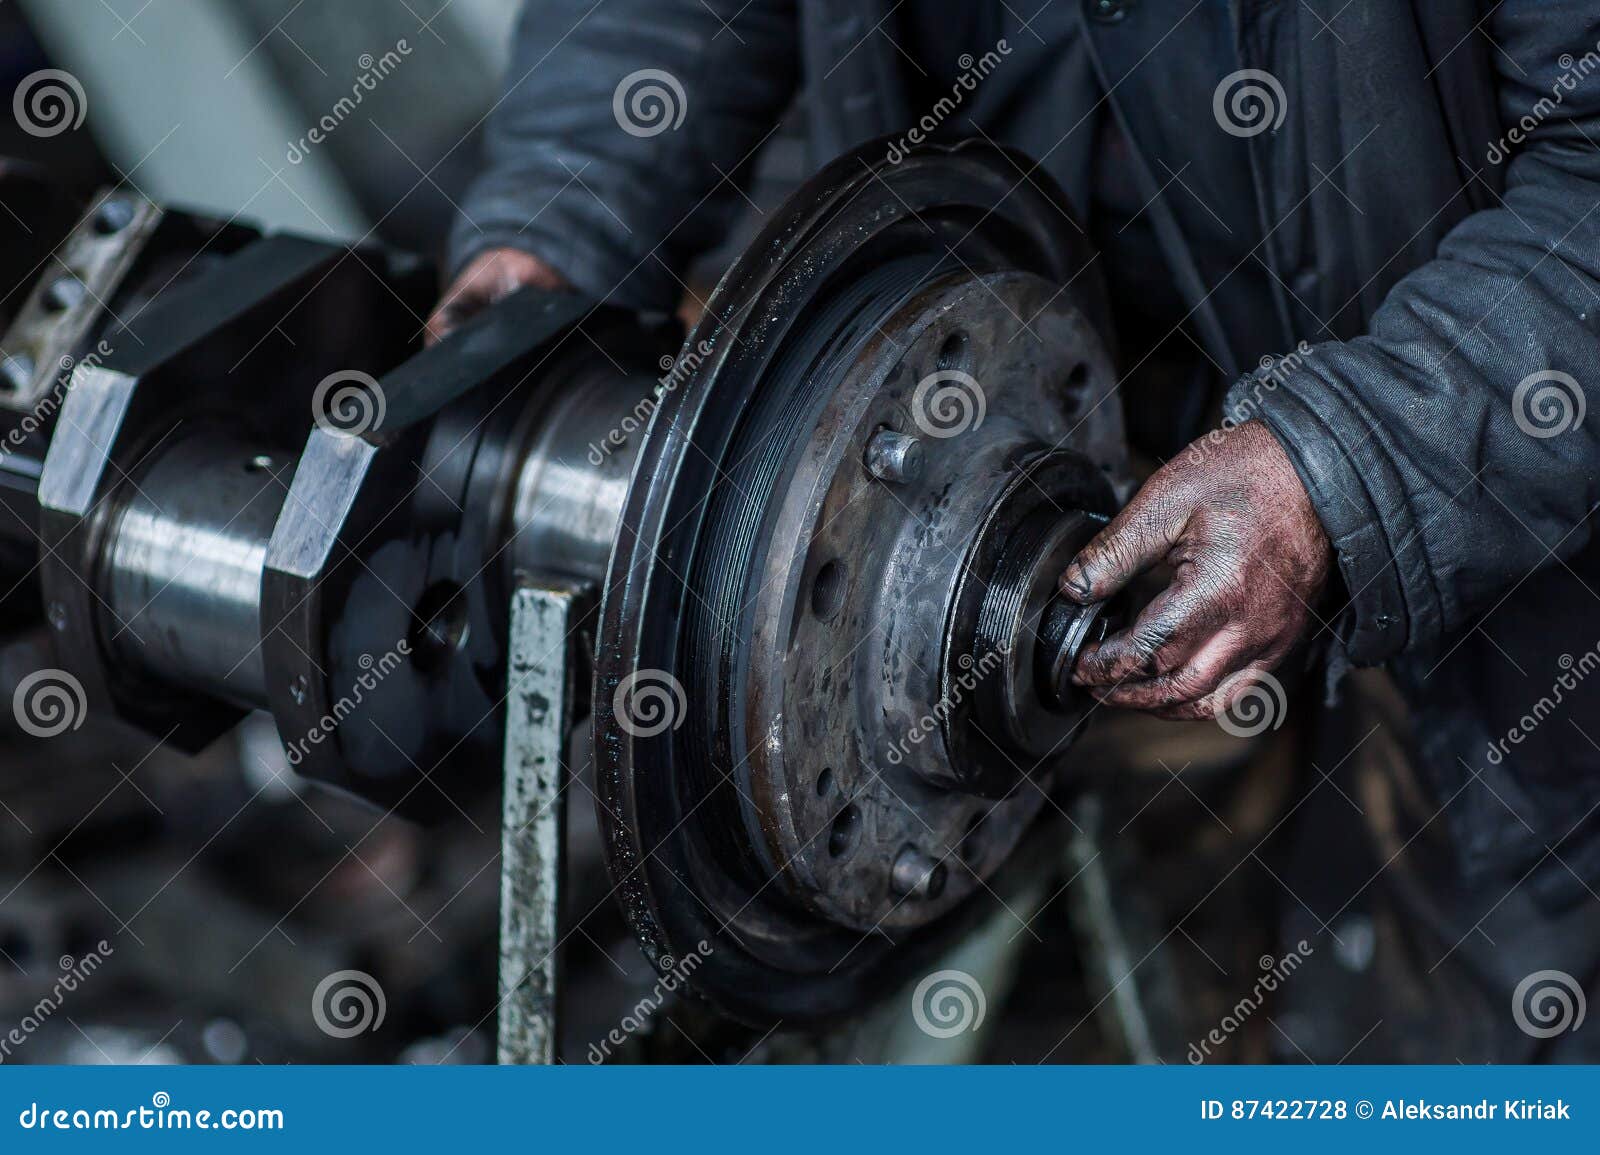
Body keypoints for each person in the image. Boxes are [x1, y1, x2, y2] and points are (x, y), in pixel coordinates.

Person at [428, 0, 1600, 1060]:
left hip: (1486, 495)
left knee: (1511, 984)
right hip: (1026, 414)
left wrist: (1349, 467)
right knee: (1165, 905)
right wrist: (558, 220)